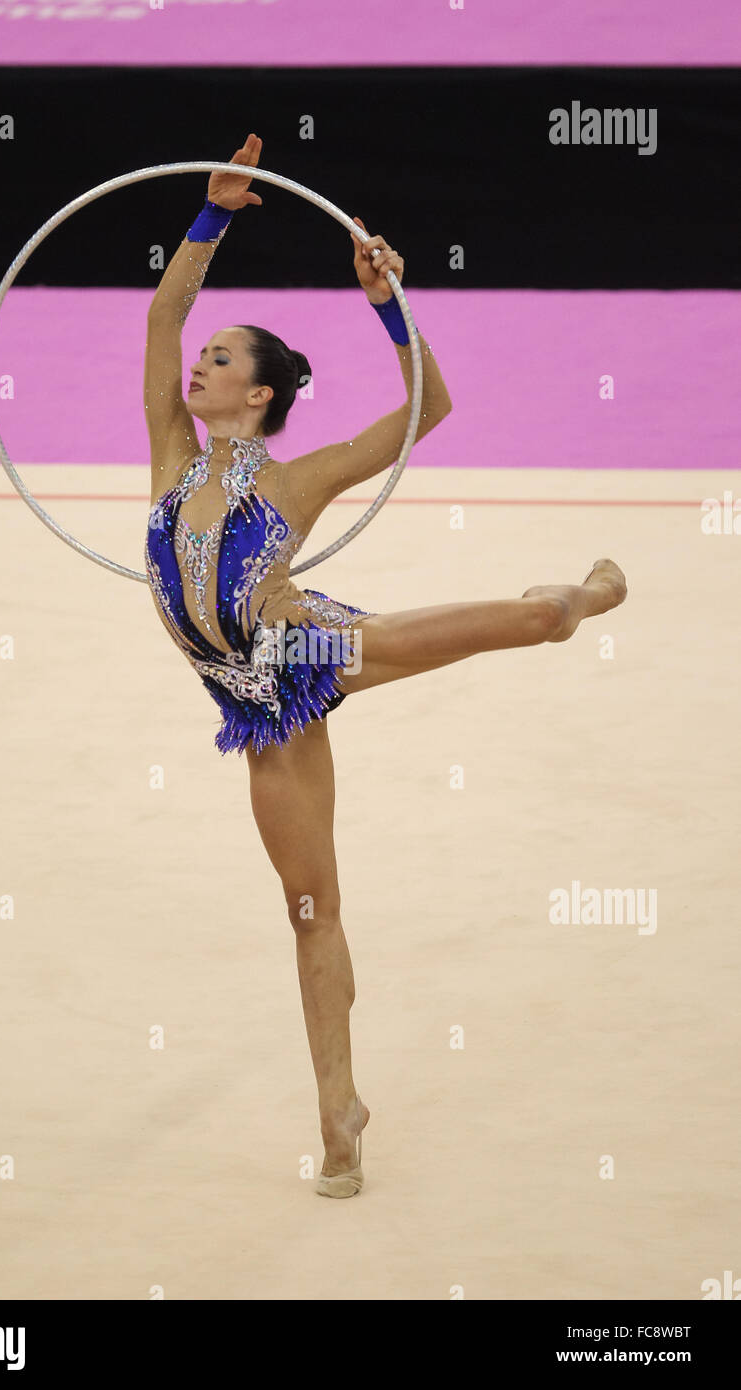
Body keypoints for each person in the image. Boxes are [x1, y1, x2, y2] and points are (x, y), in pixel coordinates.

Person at [143, 133, 627, 1197]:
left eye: (224, 360)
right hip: (256, 712)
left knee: (506, 624)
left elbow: (426, 413)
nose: (200, 365)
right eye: (208, 357)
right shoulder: (171, 457)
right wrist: (213, 215)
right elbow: (161, 314)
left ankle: (580, 601)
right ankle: (342, 1110)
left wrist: (389, 303)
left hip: (309, 646)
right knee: (310, 906)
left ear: (260, 396)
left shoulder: (297, 483)